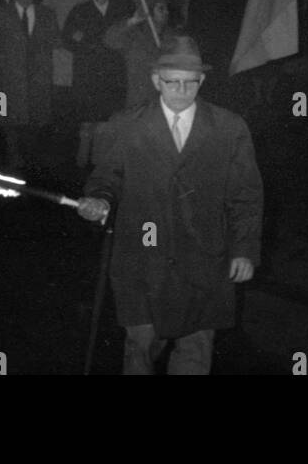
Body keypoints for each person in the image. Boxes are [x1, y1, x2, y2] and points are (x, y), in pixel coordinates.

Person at [77, 36, 263, 375]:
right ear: (155, 80)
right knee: (141, 347)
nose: (181, 90)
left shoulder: (229, 127)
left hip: (205, 260)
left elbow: (246, 195)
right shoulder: (127, 124)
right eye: (171, 82)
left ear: (202, 81)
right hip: (142, 259)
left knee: (195, 352)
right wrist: (100, 199)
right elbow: (106, 177)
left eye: (190, 83)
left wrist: (245, 250)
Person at [0, 0, 58, 171]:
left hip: (37, 77)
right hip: (9, 76)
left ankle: (32, 158)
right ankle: (11, 156)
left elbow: (55, 40)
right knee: (6, 117)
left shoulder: (46, 14)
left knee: (36, 118)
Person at [103, 0, 179, 108]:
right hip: (139, 100)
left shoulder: (171, 36)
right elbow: (109, 40)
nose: (166, 12)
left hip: (164, 100)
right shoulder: (135, 34)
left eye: (166, 8)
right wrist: (133, 20)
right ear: (150, 12)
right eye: (161, 9)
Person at [42, 0, 90, 119]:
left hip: (82, 59)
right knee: (60, 105)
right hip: (60, 56)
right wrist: (57, 40)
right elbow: (44, 21)